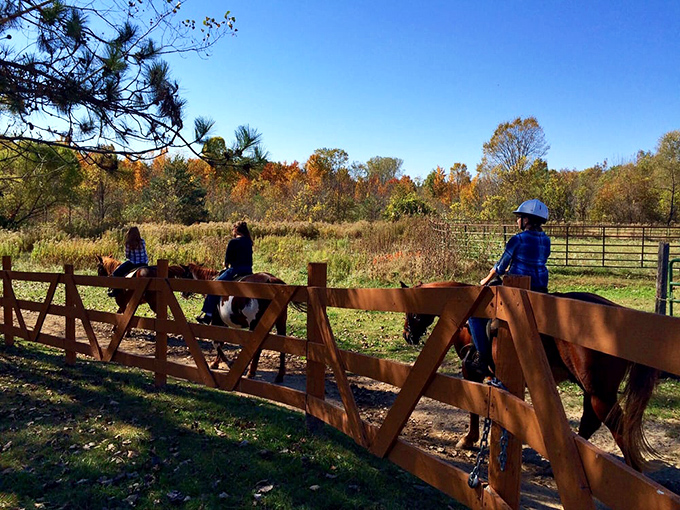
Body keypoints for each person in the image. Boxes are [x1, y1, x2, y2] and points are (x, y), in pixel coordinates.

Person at [466, 199, 551, 376]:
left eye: (519, 217)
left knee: (474, 314)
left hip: (516, 290)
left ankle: (482, 358)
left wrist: (485, 280)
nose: (517, 221)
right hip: (540, 288)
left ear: (527, 220)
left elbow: (500, 267)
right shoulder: (546, 240)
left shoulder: (517, 240)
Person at [196, 221, 254, 324]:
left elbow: (228, 260)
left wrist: (225, 264)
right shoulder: (248, 241)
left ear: (235, 230)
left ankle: (208, 314)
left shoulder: (233, 242)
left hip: (236, 270)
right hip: (248, 270)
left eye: (232, 229)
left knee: (215, 286)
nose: (232, 231)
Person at [108, 226, 149, 297]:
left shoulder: (128, 243)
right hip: (144, 263)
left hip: (133, 263)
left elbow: (127, 256)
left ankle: (116, 291)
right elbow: (144, 253)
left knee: (117, 273)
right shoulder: (142, 241)